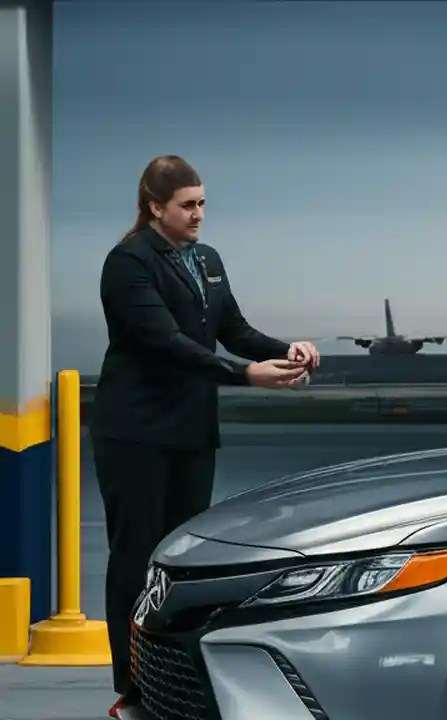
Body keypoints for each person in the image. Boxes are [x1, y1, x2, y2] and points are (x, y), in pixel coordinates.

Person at [91, 155, 321, 717]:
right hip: (136, 432)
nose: (198, 215)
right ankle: (133, 684)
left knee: (183, 562)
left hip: (192, 432)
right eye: (187, 205)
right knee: (137, 558)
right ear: (154, 208)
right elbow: (166, 343)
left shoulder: (206, 260)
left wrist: (283, 351)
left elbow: (232, 329)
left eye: (202, 204)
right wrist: (245, 375)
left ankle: (178, 678)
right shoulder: (127, 264)